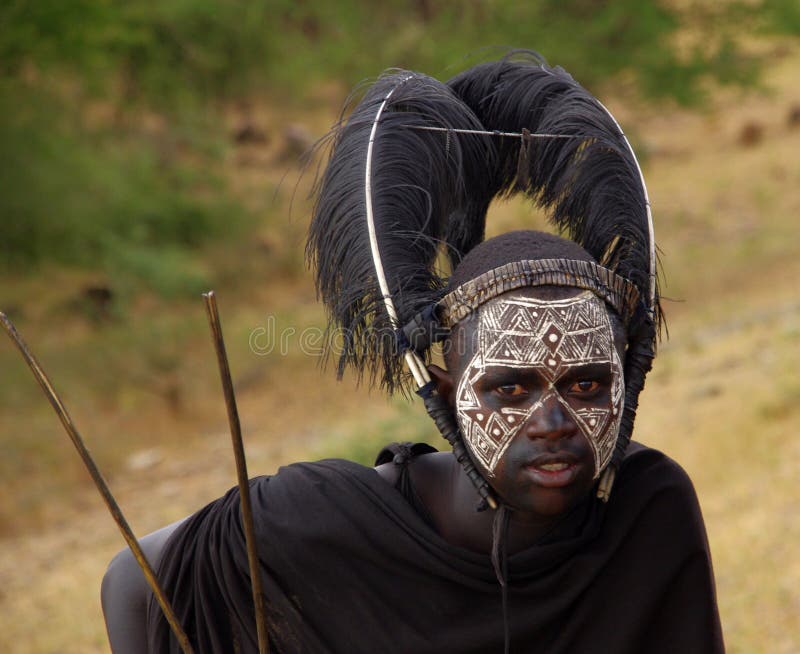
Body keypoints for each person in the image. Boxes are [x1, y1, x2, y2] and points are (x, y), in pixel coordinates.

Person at [101, 53, 724, 653]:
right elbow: (135, 581)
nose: (554, 424)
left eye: (587, 386)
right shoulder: (335, 522)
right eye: (511, 389)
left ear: (627, 382)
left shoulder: (648, 512)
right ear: (448, 389)